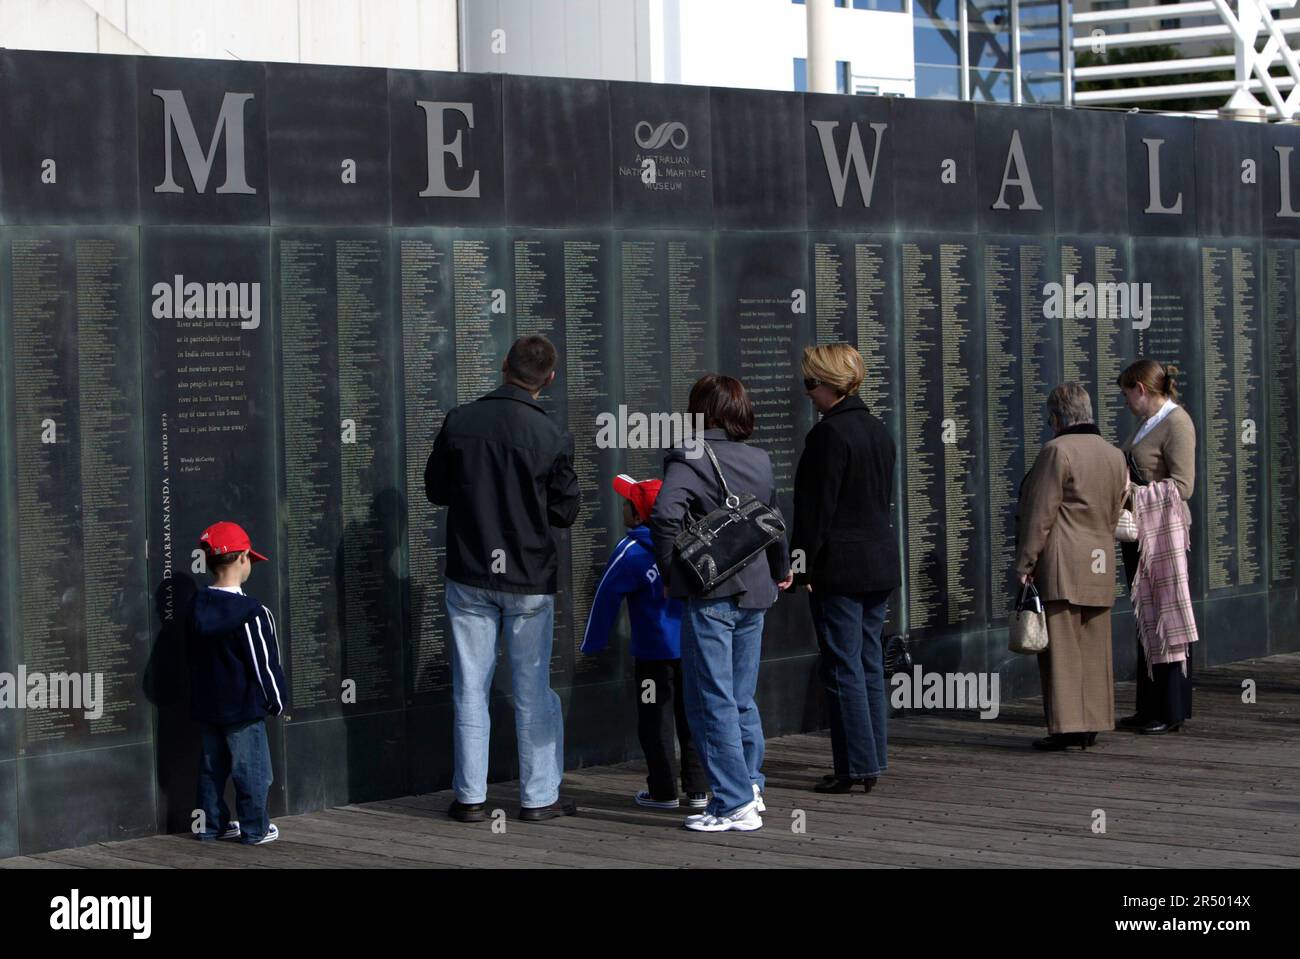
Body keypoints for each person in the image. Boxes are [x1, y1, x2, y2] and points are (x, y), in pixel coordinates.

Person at [425, 335, 582, 822]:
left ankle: (470, 797)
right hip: (529, 576)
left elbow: (436, 490)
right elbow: (565, 512)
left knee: (470, 687)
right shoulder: (552, 435)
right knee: (532, 689)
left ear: (503, 365)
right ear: (548, 379)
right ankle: (538, 798)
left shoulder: (460, 421)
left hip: (470, 570)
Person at [648, 374, 792, 833]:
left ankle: (733, 803)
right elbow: (773, 520)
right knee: (741, 697)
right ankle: (750, 786)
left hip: (711, 592)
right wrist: (781, 568)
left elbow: (664, 515)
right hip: (758, 590)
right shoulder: (760, 458)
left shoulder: (689, 454)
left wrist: (671, 574)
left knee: (710, 700)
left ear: (699, 411)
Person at [791, 344, 901, 793]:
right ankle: (871, 759)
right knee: (868, 662)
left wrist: (800, 568)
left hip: (839, 569)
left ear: (828, 384)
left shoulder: (828, 436)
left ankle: (854, 766)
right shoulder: (878, 431)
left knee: (842, 666)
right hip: (878, 564)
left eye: (810, 383)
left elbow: (814, 512)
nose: (806, 392)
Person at [580, 474, 708, 811]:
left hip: (653, 657)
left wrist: (592, 644)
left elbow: (605, 597)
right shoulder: (691, 541)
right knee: (693, 717)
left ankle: (663, 792)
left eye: (627, 503)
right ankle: (699, 790)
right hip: (693, 649)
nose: (622, 507)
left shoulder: (630, 551)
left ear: (638, 515)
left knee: (655, 721)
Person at [1015, 384, 1127, 750]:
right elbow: (1116, 509)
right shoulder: (1114, 455)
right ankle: (1093, 722)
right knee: (1095, 648)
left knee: (1061, 650)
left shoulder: (1057, 451)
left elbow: (1040, 513)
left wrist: (1026, 561)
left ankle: (1066, 728)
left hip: (1062, 561)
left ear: (1056, 418)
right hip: (1100, 559)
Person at [188, 521, 285, 845]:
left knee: (211, 768)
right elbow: (264, 663)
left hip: (207, 705)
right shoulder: (253, 612)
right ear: (243, 558)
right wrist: (276, 700)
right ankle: (255, 828)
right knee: (252, 770)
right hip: (243, 707)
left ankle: (210, 825)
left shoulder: (196, 606)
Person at [1117, 359, 1196, 734]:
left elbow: (1183, 485)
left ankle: (1170, 709)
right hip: (1141, 535)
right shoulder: (1147, 423)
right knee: (1147, 619)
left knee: (1169, 617)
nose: (1125, 402)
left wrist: (1136, 492)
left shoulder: (1177, 422)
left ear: (1141, 389)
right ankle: (1149, 706)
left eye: (1127, 394)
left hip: (1164, 535)